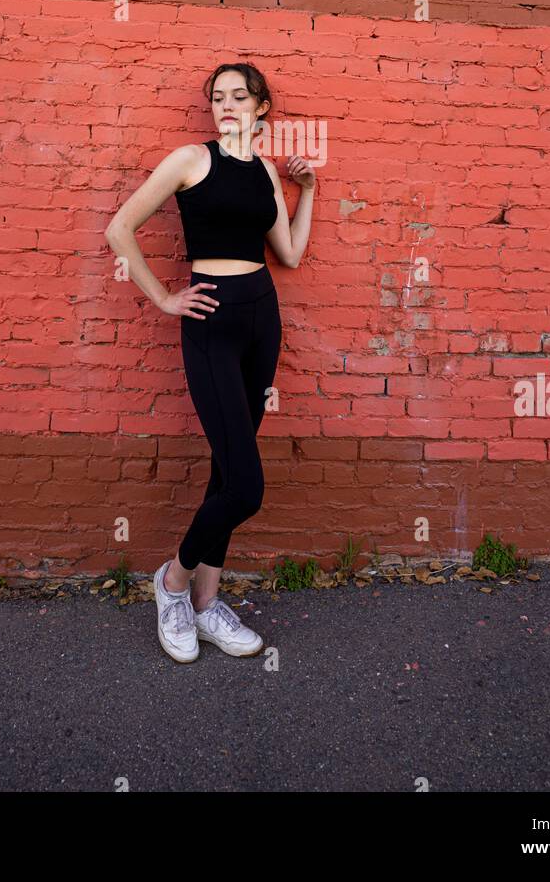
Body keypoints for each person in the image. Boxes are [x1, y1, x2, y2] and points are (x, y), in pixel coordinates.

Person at [105, 63, 317, 663]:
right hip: (210, 327)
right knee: (246, 487)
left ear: (262, 106)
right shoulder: (189, 161)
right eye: (218, 97)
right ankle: (172, 584)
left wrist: (311, 194)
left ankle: (206, 603)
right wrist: (164, 297)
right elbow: (119, 228)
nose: (226, 105)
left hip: (260, 321)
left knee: (227, 473)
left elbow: (291, 255)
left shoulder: (267, 175)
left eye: (239, 96)